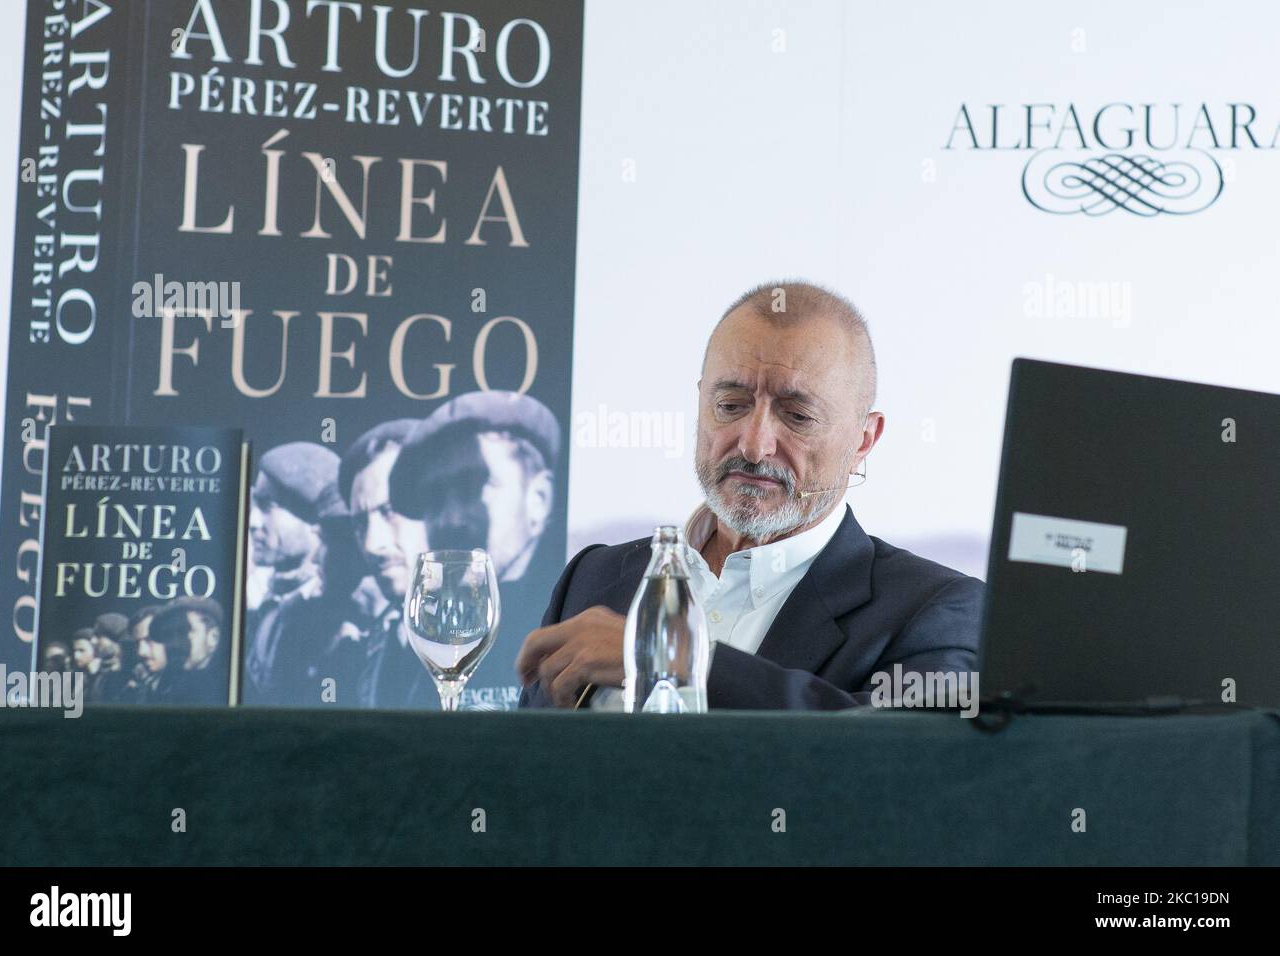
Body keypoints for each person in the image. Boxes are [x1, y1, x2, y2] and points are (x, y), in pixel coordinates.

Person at [516, 280, 983, 711]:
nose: (753, 444)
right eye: (730, 406)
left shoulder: (937, 610)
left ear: (863, 439)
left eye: (798, 416)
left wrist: (677, 662)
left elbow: (902, 760)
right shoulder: (593, 578)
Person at [390, 392, 564, 708]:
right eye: (434, 497)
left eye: (473, 486)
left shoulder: (571, 615)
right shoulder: (412, 643)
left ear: (539, 498)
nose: (450, 518)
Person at [243, 443, 354, 706]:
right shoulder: (264, 602)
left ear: (314, 518)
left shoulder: (340, 612)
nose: (253, 522)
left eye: (268, 506)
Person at [148, 597, 226, 705]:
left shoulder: (223, 688)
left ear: (213, 638)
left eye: (184, 631)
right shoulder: (163, 689)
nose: (174, 644)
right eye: (168, 635)